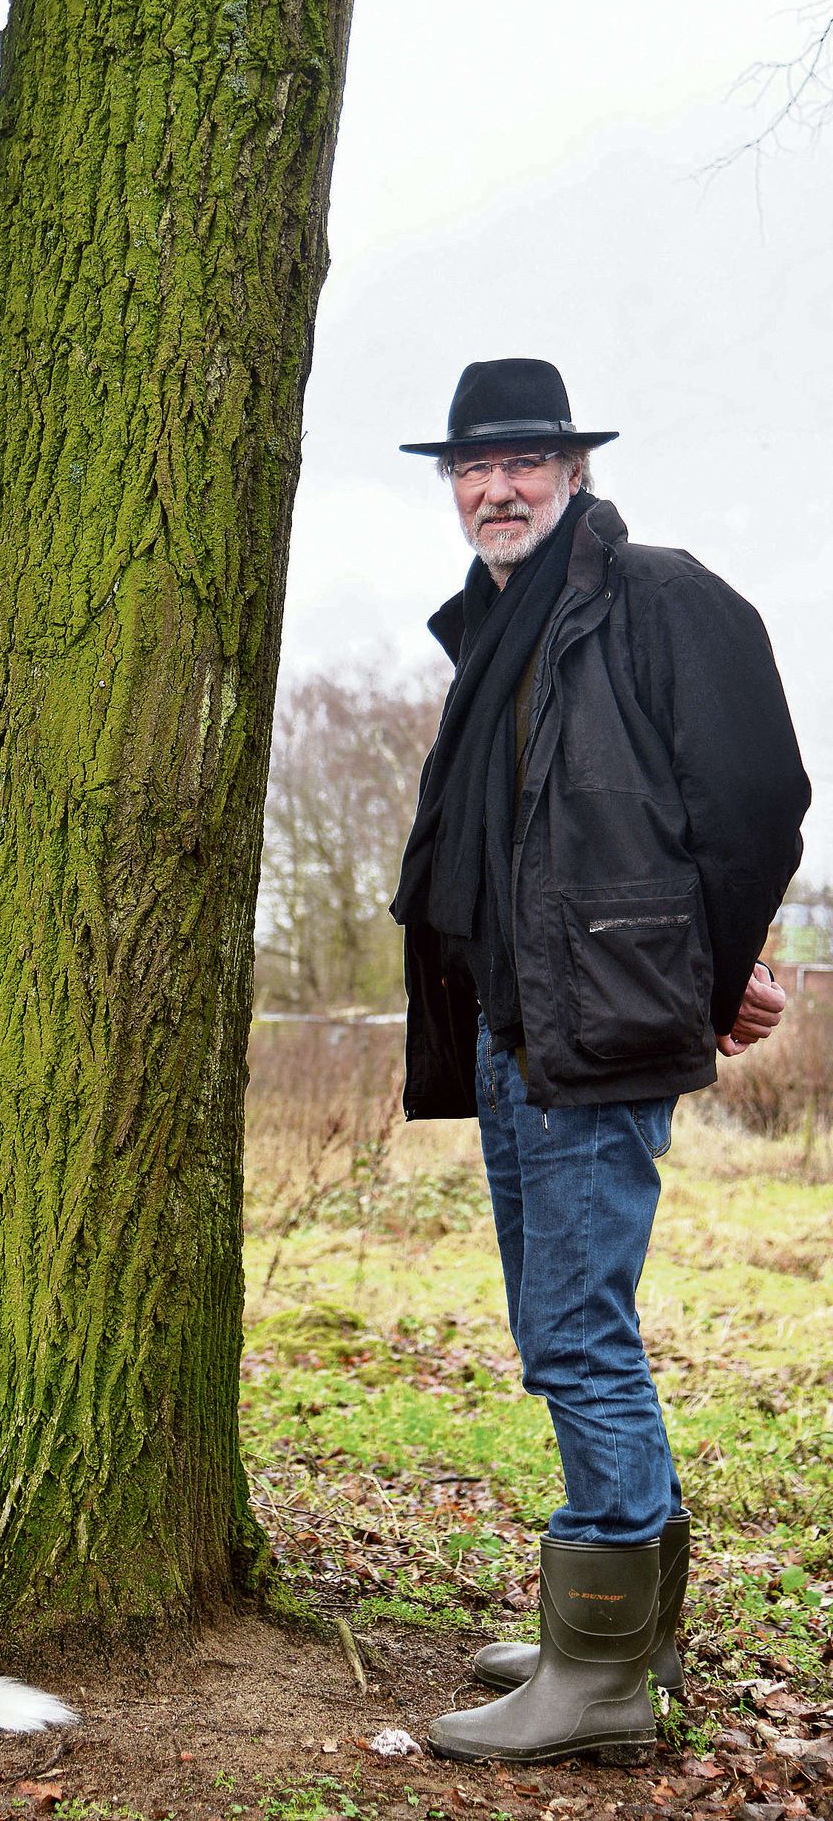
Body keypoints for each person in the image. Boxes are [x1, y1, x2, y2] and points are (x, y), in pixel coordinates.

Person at [389, 358, 810, 1766]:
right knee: (567, 1337)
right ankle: (624, 1633)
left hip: (603, 1033)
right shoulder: (499, 623)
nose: (494, 487)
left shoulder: (658, 597)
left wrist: (705, 977)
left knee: (577, 1340)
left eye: (522, 461)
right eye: (471, 467)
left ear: (573, 471)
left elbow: (759, 801)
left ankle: (606, 1680)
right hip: (519, 1034)